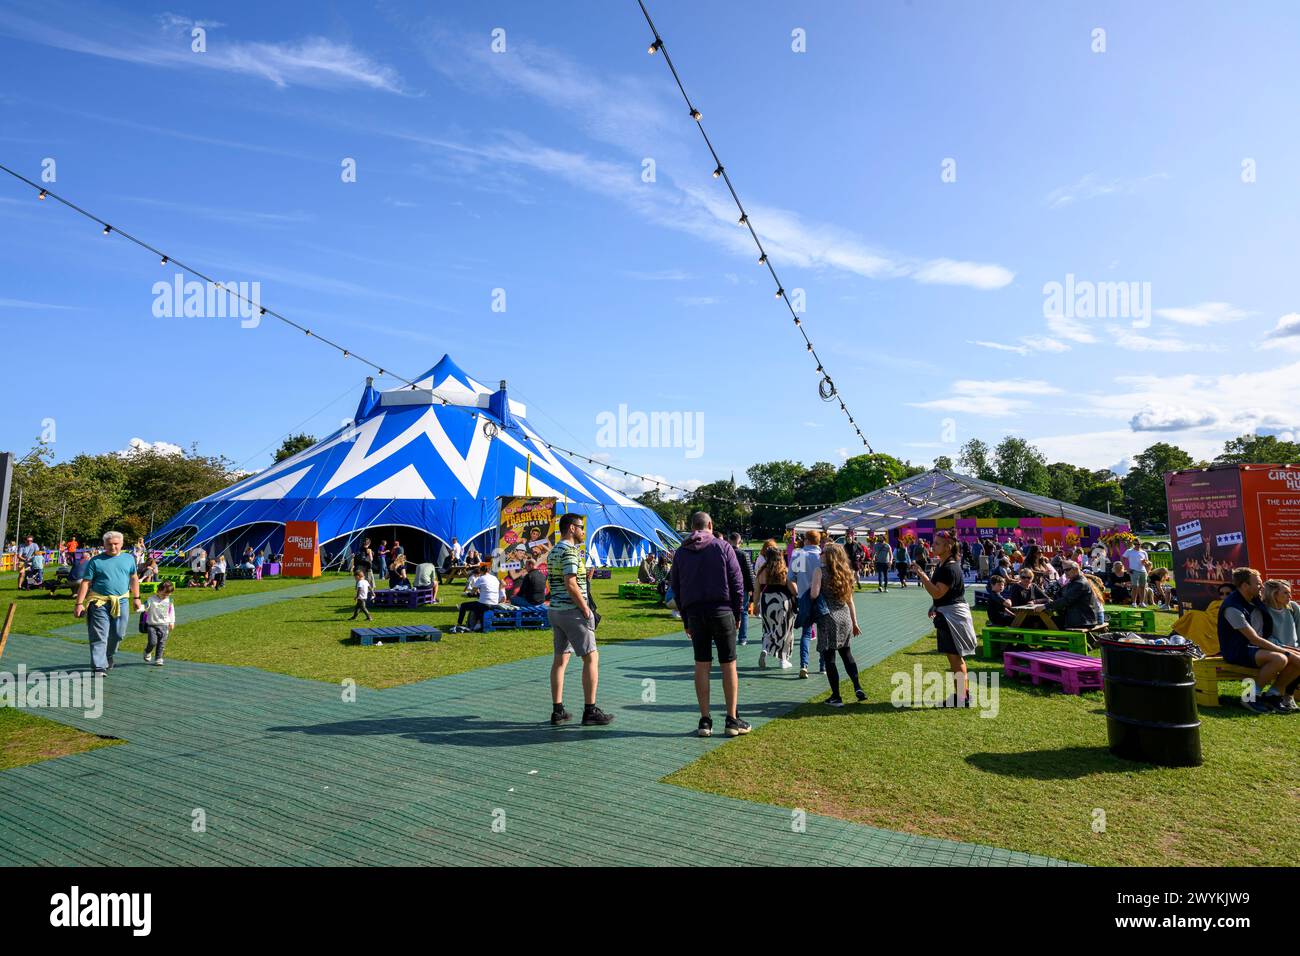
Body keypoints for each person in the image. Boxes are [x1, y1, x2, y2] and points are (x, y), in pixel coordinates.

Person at [670, 512, 750, 738]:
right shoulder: (723, 547)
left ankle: (705, 720)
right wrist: (737, 613)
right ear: (710, 526)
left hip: (695, 613)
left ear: (692, 526)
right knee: (729, 665)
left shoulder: (681, 552)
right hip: (722, 611)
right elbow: (737, 583)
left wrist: (686, 618)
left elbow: (676, 587)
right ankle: (732, 719)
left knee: (701, 665)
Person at [546, 513, 613, 726]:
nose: (584, 530)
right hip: (572, 612)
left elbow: (561, 580)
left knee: (560, 660)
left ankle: (558, 711)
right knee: (591, 658)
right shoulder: (570, 552)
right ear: (571, 528)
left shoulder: (554, 551)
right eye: (581, 526)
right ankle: (590, 710)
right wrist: (585, 609)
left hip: (556, 610)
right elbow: (571, 583)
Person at [1218, 568, 1300, 713]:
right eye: (1258, 584)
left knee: (1298, 659)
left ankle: (1274, 695)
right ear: (1244, 586)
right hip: (1238, 651)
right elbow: (1254, 639)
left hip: (1254, 648)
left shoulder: (1253, 599)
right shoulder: (1232, 607)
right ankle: (1249, 696)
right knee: (1280, 659)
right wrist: (1285, 652)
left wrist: (1290, 651)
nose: (1262, 586)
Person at [912, 532, 979, 706]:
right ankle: (962, 695)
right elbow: (944, 595)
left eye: (937, 544)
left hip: (953, 617)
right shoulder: (945, 564)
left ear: (948, 547)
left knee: (956, 658)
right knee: (953, 657)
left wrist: (922, 575)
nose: (933, 546)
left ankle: (963, 697)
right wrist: (935, 605)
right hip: (948, 613)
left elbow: (937, 592)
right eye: (934, 543)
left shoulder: (949, 568)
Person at [73, 531, 143, 675]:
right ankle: (99, 666)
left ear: (122, 544)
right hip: (99, 602)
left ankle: (109, 655)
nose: (113, 547)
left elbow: (134, 578)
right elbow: (86, 583)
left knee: (118, 634)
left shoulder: (128, 559)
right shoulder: (95, 561)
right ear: (104, 545)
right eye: (109, 544)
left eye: (116, 544)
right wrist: (79, 604)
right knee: (99, 634)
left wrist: (136, 598)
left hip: (121, 601)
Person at [810, 542, 865, 705]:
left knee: (830, 658)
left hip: (828, 617)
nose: (820, 555)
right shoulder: (846, 572)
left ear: (829, 555)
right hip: (845, 617)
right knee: (847, 654)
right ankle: (857, 686)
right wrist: (855, 623)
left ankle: (836, 696)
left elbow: (814, 594)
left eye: (823, 552)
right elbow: (850, 601)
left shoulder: (820, 571)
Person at [754, 545, 797, 670]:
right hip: (782, 602)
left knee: (768, 628)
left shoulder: (761, 571)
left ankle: (765, 649)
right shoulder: (784, 571)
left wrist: (756, 605)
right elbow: (794, 590)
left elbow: (757, 591)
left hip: (766, 601)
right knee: (785, 631)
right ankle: (783, 660)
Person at [789, 529, 823, 679]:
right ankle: (822, 666)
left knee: (806, 633)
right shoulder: (823, 555)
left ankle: (804, 665)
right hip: (822, 597)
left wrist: (797, 593)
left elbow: (791, 577)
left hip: (803, 596)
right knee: (823, 633)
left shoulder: (799, 554)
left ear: (807, 540)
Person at [1261, 580, 1300, 708]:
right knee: (1289, 659)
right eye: (1286, 593)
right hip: (1273, 650)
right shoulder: (1262, 610)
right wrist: (1287, 649)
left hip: (1291, 649)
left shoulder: (1293, 607)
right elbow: (1262, 637)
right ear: (1274, 594)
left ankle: (1278, 694)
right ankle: (1252, 697)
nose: (1290, 596)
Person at [1044, 561, 1100, 630]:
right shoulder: (1074, 581)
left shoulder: (1080, 583)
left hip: (1082, 621)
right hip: (1080, 619)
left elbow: (1065, 600)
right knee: (1048, 620)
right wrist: (1041, 600)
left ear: (1076, 569)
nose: (1065, 572)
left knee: (1045, 623)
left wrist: (1045, 606)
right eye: (1063, 570)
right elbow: (1059, 595)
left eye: (1067, 570)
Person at [726, 533, 755, 647]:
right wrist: (752, 589)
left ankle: (729, 636)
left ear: (729, 540)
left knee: (728, 612)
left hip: (727, 587)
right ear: (740, 541)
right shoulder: (743, 554)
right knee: (743, 612)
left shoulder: (725, 553)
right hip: (742, 587)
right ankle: (742, 638)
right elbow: (749, 573)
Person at [142, 580, 177, 666]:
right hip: (152, 625)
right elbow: (145, 607)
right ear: (158, 591)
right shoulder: (151, 599)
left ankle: (158, 658)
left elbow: (171, 612)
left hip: (164, 625)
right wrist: (138, 607)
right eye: (164, 594)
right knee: (153, 642)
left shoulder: (169, 601)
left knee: (161, 643)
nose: (165, 596)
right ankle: (147, 651)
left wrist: (172, 622)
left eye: (168, 594)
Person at [456, 565, 501, 631]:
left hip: (485, 604)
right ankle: (478, 623)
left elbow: (472, 592)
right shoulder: (495, 578)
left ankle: (459, 624)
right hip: (495, 603)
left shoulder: (481, 578)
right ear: (489, 571)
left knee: (463, 605)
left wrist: (468, 594)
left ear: (481, 571)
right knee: (477, 605)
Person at [1121, 541, 1150, 608]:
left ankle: (1141, 602)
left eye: (1139, 544)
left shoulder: (1144, 552)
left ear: (1141, 544)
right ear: (1134, 544)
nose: (1137, 545)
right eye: (1135, 544)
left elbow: (1147, 562)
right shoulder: (1129, 551)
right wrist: (1127, 569)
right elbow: (1122, 559)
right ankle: (1134, 602)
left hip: (1143, 571)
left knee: (1143, 587)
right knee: (1135, 587)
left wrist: (1145, 562)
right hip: (1133, 571)